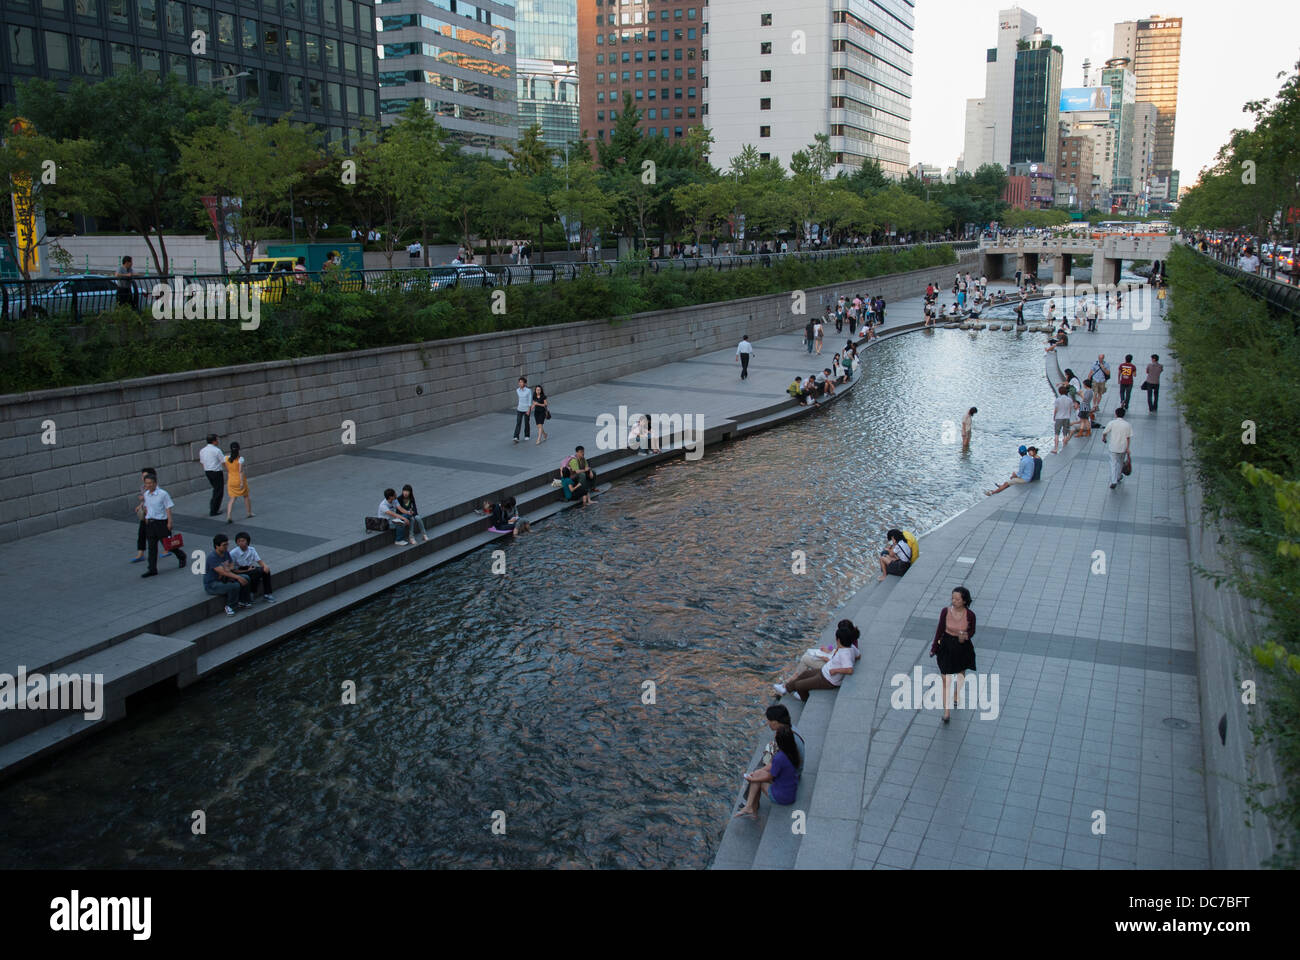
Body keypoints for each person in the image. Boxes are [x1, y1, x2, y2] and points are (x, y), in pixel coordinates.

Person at [773, 623, 856, 701]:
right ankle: (785, 688)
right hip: (824, 671)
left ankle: (803, 697)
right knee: (805, 674)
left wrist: (835, 670)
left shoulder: (845, 653)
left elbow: (849, 669)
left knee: (799, 685)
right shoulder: (851, 648)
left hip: (827, 680)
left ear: (838, 640)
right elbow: (858, 655)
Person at [930, 586, 977, 723]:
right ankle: (946, 711)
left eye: (957, 599)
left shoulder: (970, 615)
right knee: (945, 678)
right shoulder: (945, 611)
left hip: (962, 647)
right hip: (946, 646)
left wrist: (966, 636)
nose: (954, 601)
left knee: (960, 672)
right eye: (953, 598)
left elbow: (972, 630)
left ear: (964, 601)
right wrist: (934, 648)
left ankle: (956, 693)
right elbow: (939, 629)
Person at [735, 725, 800, 818]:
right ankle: (750, 807)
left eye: (776, 736)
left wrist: (753, 779)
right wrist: (758, 771)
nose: (774, 737)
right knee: (757, 774)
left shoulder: (779, 757)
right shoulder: (792, 751)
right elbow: (771, 765)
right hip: (790, 789)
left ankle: (751, 808)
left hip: (783, 796)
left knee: (758, 780)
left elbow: (770, 776)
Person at [140, 472, 187, 577]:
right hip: (150, 524)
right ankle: (152, 569)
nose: (149, 485)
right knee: (152, 547)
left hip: (161, 523)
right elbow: (147, 506)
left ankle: (181, 556)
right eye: (146, 483)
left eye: (151, 483)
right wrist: (147, 517)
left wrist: (170, 522)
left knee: (168, 545)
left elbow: (168, 508)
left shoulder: (163, 494)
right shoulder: (146, 494)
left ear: (155, 483)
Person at [204, 534, 252, 616]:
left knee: (246, 578)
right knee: (235, 586)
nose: (226, 547)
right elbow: (222, 572)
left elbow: (231, 565)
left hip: (224, 578)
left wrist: (227, 570)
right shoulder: (212, 557)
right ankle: (230, 606)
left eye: (227, 544)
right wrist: (235, 576)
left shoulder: (226, 553)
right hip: (212, 584)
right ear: (217, 546)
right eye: (224, 545)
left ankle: (242, 601)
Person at [229, 532, 276, 602]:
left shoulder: (251, 550)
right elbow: (233, 570)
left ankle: (267, 593)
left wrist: (265, 566)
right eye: (239, 541)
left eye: (243, 541)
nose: (241, 543)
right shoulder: (233, 553)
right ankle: (251, 592)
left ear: (247, 541)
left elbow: (259, 561)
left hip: (249, 568)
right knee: (256, 572)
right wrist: (247, 570)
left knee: (265, 571)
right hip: (239, 571)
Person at [1102, 407, 1133, 490]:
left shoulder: (1112, 423)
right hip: (1123, 447)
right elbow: (1128, 437)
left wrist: (1104, 438)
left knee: (1113, 463)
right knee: (1120, 462)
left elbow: (1104, 432)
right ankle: (1119, 476)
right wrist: (1128, 448)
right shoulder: (1127, 425)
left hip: (1113, 447)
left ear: (1116, 414)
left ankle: (1113, 480)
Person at [222, 441, 253, 523]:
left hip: (231, 480)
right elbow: (240, 471)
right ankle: (249, 512)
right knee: (246, 496)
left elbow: (225, 466)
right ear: (238, 449)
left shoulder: (225, 458)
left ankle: (229, 516)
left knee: (232, 498)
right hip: (239, 480)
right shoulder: (240, 459)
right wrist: (242, 482)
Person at [131, 467, 155, 562]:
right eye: (142, 476)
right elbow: (146, 499)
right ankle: (140, 553)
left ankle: (171, 549)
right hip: (145, 514)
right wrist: (140, 504)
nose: (143, 478)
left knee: (160, 534)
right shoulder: (142, 487)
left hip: (154, 515)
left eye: (145, 476)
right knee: (142, 533)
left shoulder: (156, 489)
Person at [199, 434, 225, 517]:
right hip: (216, 472)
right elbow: (223, 462)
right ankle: (214, 510)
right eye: (217, 440)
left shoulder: (202, 450)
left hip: (208, 471)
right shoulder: (217, 450)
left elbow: (202, 462)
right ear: (214, 441)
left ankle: (213, 507)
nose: (218, 441)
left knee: (215, 489)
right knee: (219, 491)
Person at [1051, 385, 1074, 454]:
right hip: (1066, 417)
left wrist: (1054, 416)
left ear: (1060, 392)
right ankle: (1064, 444)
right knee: (1065, 432)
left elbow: (1056, 409)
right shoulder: (1069, 400)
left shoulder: (1058, 400)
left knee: (1057, 433)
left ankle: (1056, 448)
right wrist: (1069, 416)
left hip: (1059, 417)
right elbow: (1070, 409)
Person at [512, 376, 532, 443]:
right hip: (519, 409)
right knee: (518, 422)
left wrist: (529, 410)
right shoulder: (517, 390)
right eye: (519, 382)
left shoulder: (528, 391)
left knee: (526, 423)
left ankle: (527, 435)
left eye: (521, 382)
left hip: (526, 409)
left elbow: (529, 401)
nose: (520, 383)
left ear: (525, 383)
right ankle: (516, 437)